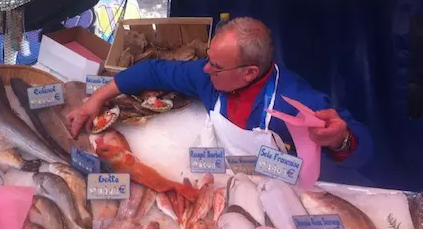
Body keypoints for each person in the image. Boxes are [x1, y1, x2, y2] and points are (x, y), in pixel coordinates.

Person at [68, 17, 373, 183]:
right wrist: (97, 99)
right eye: (209, 59)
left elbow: (362, 152)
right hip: (218, 182)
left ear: (248, 72)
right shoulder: (206, 78)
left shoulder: (295, 99)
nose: (205, 67)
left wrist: (340, 140)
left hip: (274, 193)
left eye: (216, 65)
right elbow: (152, 70)